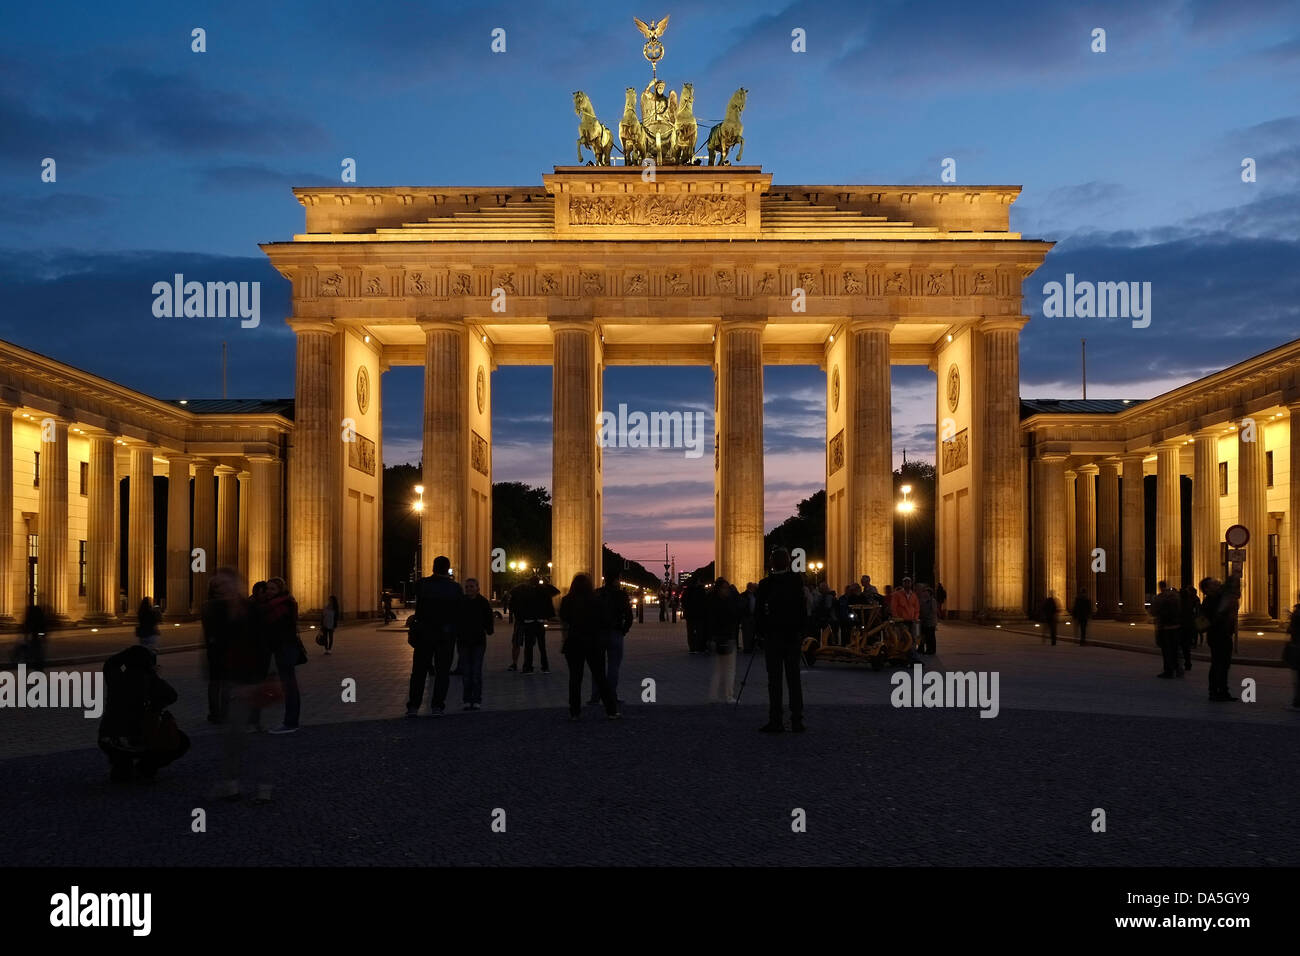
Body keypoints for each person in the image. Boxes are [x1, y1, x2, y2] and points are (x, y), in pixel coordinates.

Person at [213, 568, 273, 801]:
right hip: (234, 682)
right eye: (218, 587)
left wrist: (256, 681)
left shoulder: (253, 612)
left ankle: (260, 785)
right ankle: (234, 784)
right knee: (236, 736)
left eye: (225, 585)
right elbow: (216, 649)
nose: (221, 590)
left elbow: (264, 648)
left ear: (237, 584)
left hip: (252, 682)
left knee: (252, 736)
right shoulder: (221, 613)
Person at [98, 644, 189, 783]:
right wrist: (154, 675)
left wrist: (127, 654)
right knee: (180, 741)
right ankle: (145, 768)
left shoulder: (115, 677)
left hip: (107, 737)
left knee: (122, 754)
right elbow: (171, 695)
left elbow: (110, 663)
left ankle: (122, 768)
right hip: (138, 737)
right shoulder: (147, 679)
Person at [755, 548, 808, 733]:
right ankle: (797, 720)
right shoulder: (796, 581)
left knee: (774, 681)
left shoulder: (765, 584)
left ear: (771, 563)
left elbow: (759, 613)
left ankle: (776, 720)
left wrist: (760, 633)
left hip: (773, 637)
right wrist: (801, 632)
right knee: (794, 679)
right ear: (788, 563)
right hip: (792, 637)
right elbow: (803, 610)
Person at [407, 555, 464, 717]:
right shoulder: (455, 588)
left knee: (418, 671)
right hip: (446, 636)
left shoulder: (422, 584)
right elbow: (459, 614)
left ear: (433, 568)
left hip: (424, 633)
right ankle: (437, 706)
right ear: (448, 568)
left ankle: (413, 706)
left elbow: (414, 592)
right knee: (442, 672)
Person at [559, 574, 619, 720]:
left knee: (575, 678)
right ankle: (611, 710)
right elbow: (606, 621)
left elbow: (564, 620)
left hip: (574, 641)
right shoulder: (597, 601)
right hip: (593, 642)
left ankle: (575, 712)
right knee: (600, 677)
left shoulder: (567, 600)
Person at [264, 577, 302, 732]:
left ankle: (290, 722)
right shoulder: (284, 603)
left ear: (280, 590)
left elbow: (277, 629)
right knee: (289, 685)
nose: (268, 591)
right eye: (267, 588)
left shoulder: (280, 606)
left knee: (289, 685)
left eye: (272, 589)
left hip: (284, 648)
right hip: (285, 648)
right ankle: (291, 721)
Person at [592, 574, 633, 705]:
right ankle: (611, 696)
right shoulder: (621, 595)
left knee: (598, 666)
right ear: (616, 580)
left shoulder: (597, 593)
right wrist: (624, 630)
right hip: (615, 632)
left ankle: (595, 696)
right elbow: (629, 615)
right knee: (613, 666)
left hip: (598, 633)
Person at [457, 578, 493, 710]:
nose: (469, 589)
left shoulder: (483, 602)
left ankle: (477, 699)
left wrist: (489, 630)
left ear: (477, 588)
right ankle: (467, 699)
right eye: (467, 587)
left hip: (478, 641)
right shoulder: (461, 601)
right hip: (463, 641)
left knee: (476, 672)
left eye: (471, 586)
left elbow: (488, 618)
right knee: (466, 672)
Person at [1204, 576, 1238, 701]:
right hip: (1216, 636)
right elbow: (1212, 619)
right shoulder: (1209, 601)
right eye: (1214, 584)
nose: (1217, 584)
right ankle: (1214, 691)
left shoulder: (1219, 597)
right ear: (1207, 588)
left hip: (1224, 635)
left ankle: (1222, 691)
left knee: (1224, 665)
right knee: (1218, 664)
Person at [707, 578, 741, 702]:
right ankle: (729, 696)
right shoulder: (728, 603)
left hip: (717, 638)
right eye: (725, 588)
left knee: (718, 670)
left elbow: (710, 621)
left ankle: (713, 695)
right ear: (720, 589)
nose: (727, 590)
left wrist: (710, 638)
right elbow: (735, 614)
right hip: (728, 638)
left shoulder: (712, 601)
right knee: (730, 669)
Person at [516, 575, 558, 674]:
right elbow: (553, 594)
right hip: (540, 621)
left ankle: (528, 667)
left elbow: (519, 606)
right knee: (542, 646)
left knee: (528, 646)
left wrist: (521, 618)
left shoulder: (524, 592)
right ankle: (545, 667)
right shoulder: (543, 591)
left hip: (529, 622)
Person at [1152, 580, 1183, 678]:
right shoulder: (1176, 597)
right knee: (1175, 649)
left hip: (1164, 627)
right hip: (1176, 626)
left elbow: (1153, 612)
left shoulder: (1159, 598)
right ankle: (1178, 669)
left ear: (1160, 587)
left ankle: (1168, 670)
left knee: (1166, 650)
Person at [14, 604, 49, 670]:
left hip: (31, 641)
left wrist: (25, 636)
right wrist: (42, 636)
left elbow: (26, 629)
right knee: (37, 658)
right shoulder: (39, 619)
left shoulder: (30, 618)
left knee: (28, 657)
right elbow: (42, 630)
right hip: (35, 641)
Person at [1178, 584, 1200, 671]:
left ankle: (1180, 665)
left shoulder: (1181, 603)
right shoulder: (1190, 601)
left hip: (1182, 627)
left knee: (1180, 647)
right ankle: (1188, 663)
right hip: (1189, 625)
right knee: (1186, 647)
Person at [1285, 593, 1300, 711]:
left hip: (1297, 646)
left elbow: (1291, 629)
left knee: (1298, 678)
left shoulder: (1297, 612)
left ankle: (1297, 702)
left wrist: (1291, 618)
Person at [684, 581, 707, 653]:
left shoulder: (687, 591)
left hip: (690, 615)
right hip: (700, 614)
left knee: (690, 631)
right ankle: (699, 647)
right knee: (699, 631)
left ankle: (692, 647)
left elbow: (683, 601)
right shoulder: (701, 591)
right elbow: (705, 602)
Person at [917, 583, 939, 655]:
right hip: (924, 621)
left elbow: (934, 611)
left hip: (930, 622)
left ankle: (931, 650)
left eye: (926, 593)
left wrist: (926, 616)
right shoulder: (923, 601)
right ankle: (922, 649)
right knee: (923, 636)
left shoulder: (932, 601)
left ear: (930, 594)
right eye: (924, 592)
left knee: (930, 636)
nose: (925, 594)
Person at [739, 582, 758, 653]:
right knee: (746, 633)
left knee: (752, 633)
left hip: (752, 616)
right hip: (746, 617)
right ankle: (747, 648)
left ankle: (750, 647)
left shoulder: (755, 595)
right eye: (752, 587)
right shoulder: (744, 595)